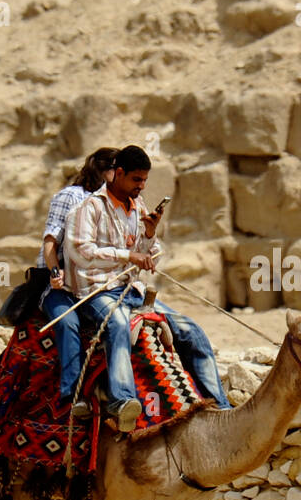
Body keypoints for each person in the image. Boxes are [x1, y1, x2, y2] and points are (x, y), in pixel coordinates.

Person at [65, 144, 231, 430]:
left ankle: (220, 407)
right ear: (118, 174)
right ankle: (122, 401)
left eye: (144, 181)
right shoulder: (89, 208)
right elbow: (80, 251)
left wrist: (150, 235)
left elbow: (150, 254)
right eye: (136, 180)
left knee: (191, 331)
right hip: (97, 291)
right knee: (117, 325)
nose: (141, 187)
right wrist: (129, 256)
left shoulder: (137, 208)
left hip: (132, 291)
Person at [38, 147, 117, 416]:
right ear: (104, 171)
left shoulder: (114, 203)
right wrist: (55, 272)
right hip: (62, 285)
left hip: (95, 286)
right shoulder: (71, 197)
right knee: (67, 321)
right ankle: (72, 395)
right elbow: (51, 241)